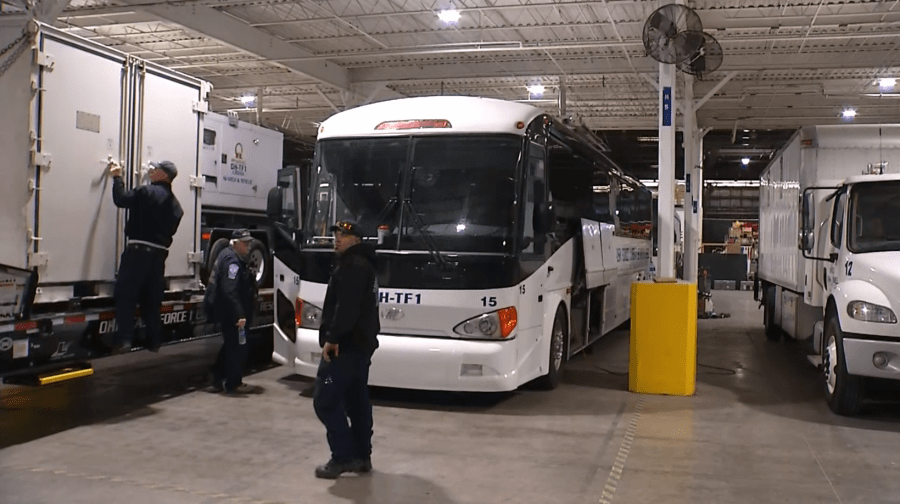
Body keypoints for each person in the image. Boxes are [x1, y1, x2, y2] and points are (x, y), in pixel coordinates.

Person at [313, 220, 380, 479]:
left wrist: (333, 338)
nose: (337, 238)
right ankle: (362, 456)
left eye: (344, 234)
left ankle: (343, 456)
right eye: (337, 234)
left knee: (325, 399)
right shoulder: (366, 266)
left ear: (357, 240)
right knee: (356, 402)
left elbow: (347, 309)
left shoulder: (352, 266)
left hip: (342, 351)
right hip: (360, 350)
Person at [109, 160, 184, 354]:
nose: (151, 171)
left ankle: (125, 340)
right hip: (159, 257)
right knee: (151, 301)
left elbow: (121, 199)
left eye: (155, 169)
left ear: (164, 175)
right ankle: (153, 341)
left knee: (126, 295)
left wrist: (117, 177)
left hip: (137, 252)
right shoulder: (177, 206)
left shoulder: (145, 192)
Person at [205, 229, 262, 394]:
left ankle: (220, 379)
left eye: (249, 243)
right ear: (236, 243)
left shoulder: (229, 255)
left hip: (230, 312)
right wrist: (240, 315)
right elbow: (230, 290)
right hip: (233, 315)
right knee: (237, 347)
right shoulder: (232, 261)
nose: (249, 246)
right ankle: (231, 382)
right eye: (245, 243)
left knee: (232, 345)